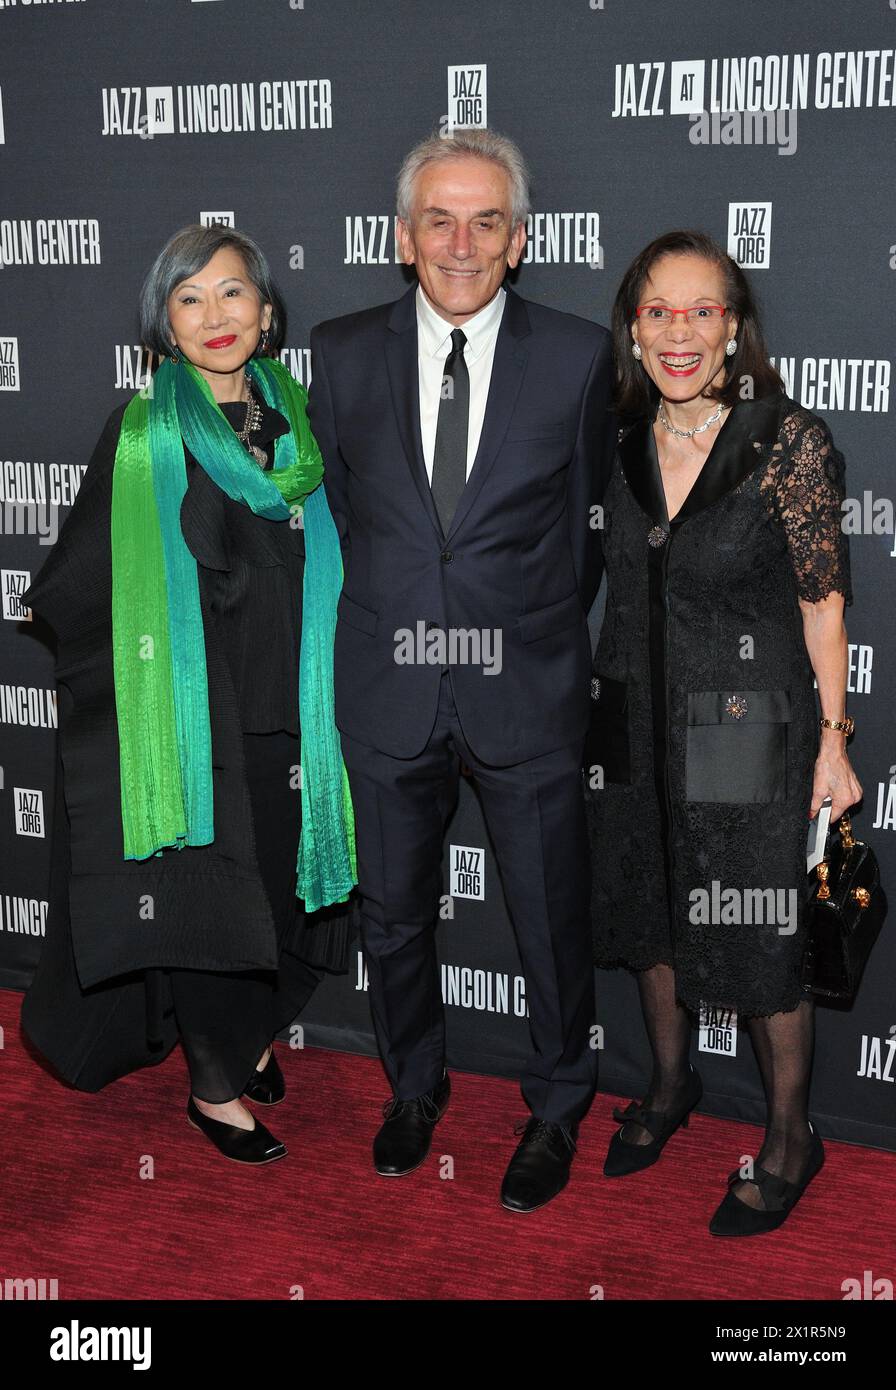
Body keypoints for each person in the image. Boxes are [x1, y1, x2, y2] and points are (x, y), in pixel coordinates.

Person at [307, 128, 615, 1212]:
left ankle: (556, 1104)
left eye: (486, 219)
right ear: (402, 237)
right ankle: (413, 1086)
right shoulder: (340, 355)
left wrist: (516, 628)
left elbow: (584, 535)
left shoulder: (577, 356)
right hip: (387, 683)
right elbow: (350, 518)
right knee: (392, 913)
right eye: (439, 217)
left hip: (523, 684)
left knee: (546, 915)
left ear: (519, 239)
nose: (461, 240)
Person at [21, 223, 356, 1165]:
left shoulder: (299, 427)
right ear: (164, 328)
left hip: (305, 707)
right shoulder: (143, 437)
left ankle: (249, 1040)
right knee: (212, 906)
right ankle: (213, 1090)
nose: (216, 315)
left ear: (267, 311)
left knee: (290, 902)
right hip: (200, 718)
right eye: (190, 299)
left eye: (233, 293)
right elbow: (86, 580)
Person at [584, 229, 860, 1234]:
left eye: (701, 310)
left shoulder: (782, 439)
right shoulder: (614, 436)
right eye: (656, 311)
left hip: (741, 722)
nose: (678, 332)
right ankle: (667, 1088)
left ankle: (790, 1139)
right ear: (632, 328)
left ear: (734, 326)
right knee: (649, 911)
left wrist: (833, 739)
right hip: (627, 714)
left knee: (749, 936)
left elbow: (822, 602)